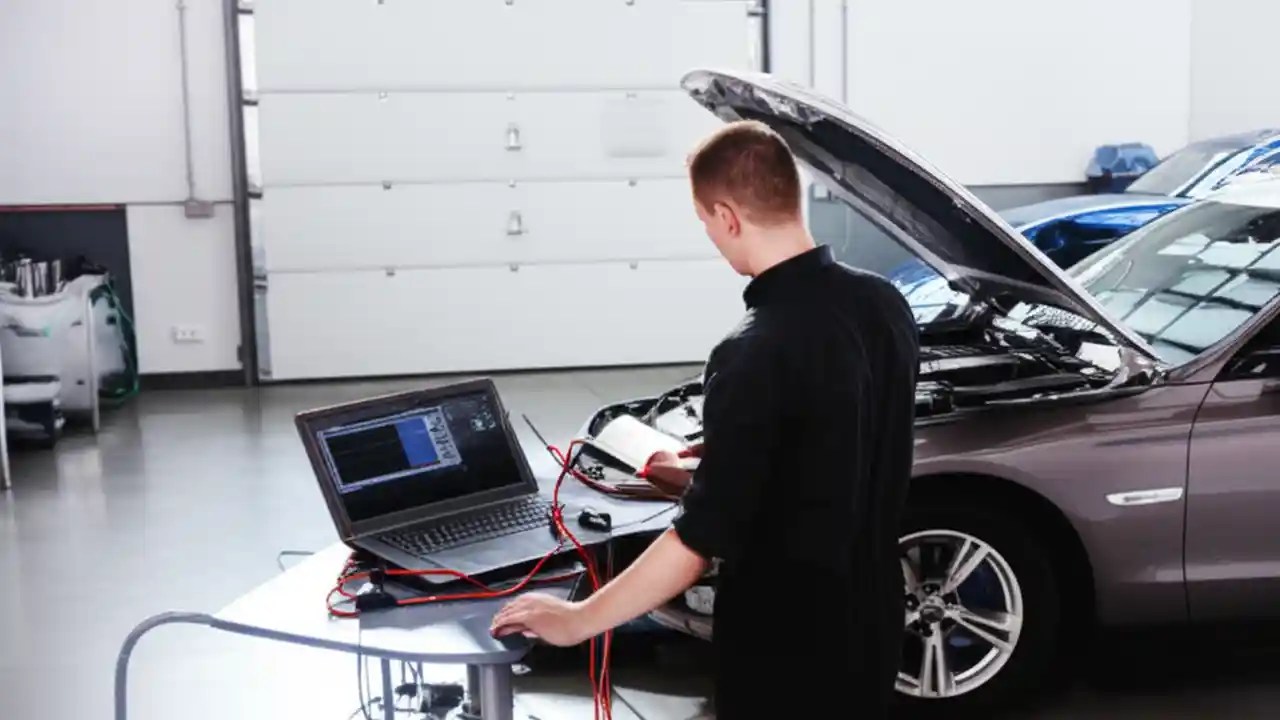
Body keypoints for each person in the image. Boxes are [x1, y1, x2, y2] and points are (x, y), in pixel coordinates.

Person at [491, 120, 920, 717]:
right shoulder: (885, 303)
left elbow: (698, 541)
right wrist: (725, 462)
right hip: (873, 618)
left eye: (705, 223)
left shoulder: (753, 349)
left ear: (727, 215)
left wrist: (577, 620)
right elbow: (843, 447)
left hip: (785, 647)